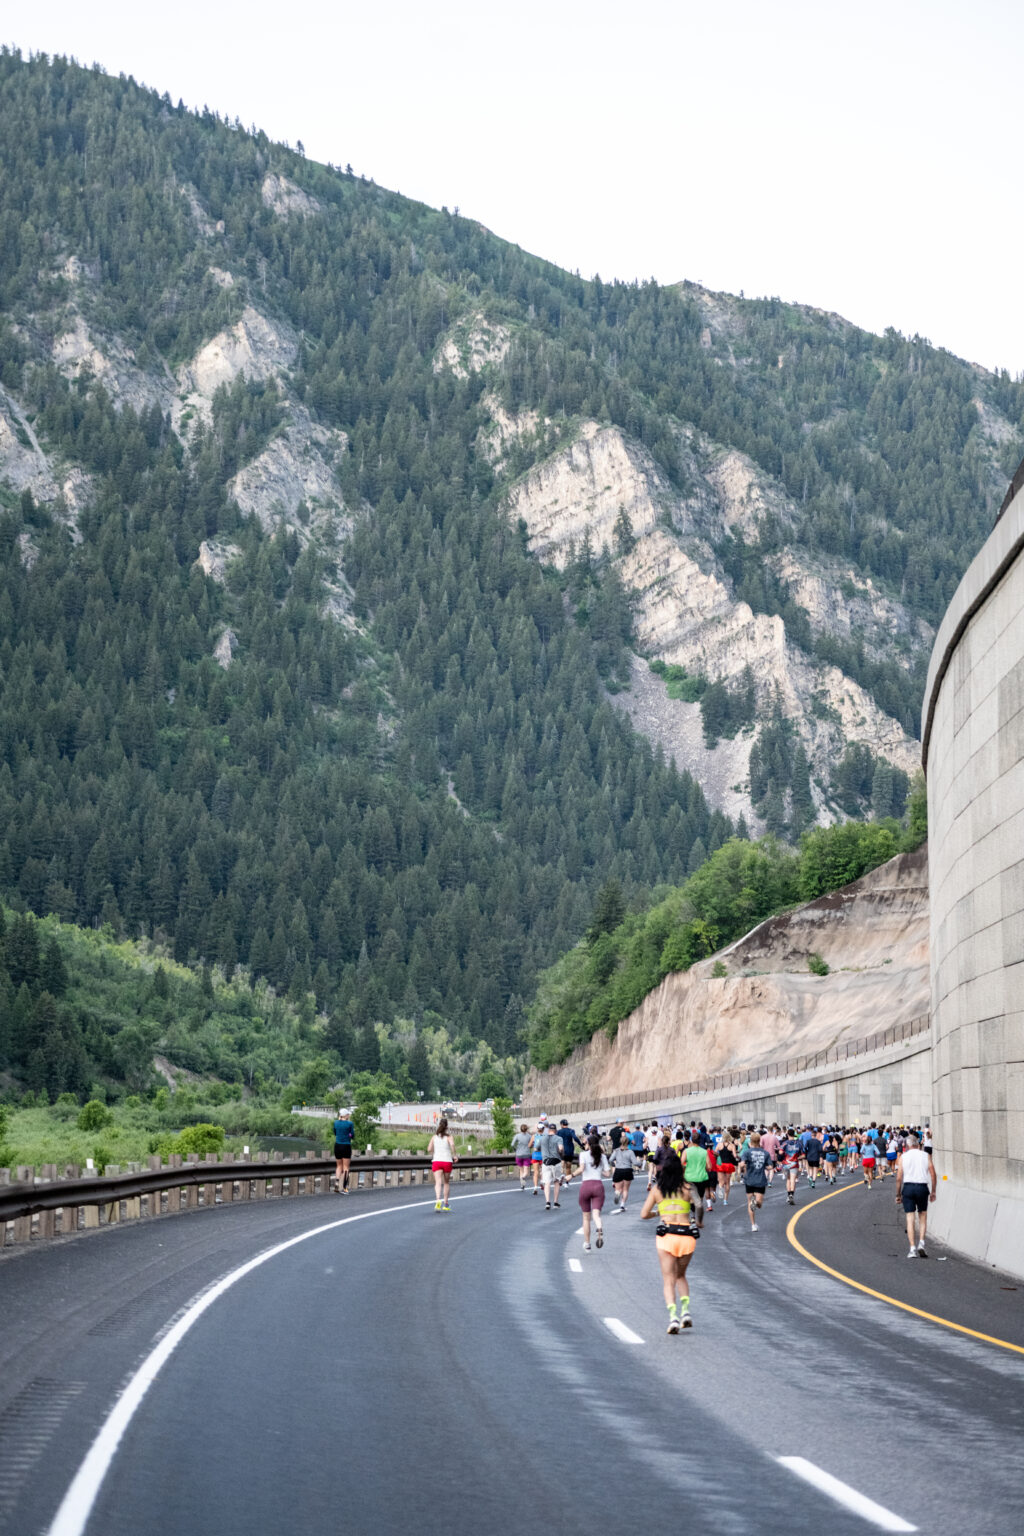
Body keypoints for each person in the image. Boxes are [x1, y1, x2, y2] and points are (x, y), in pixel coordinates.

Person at [640, 1149, 697, 1332]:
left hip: (667, 1236)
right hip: (687, 1236)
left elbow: (644, 1214)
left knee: (668, 1280)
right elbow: (700, 1205)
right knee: (681, 1276)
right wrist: (698, 1221)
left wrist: (658, 1212)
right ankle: (686, 1311)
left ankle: (673, 1317)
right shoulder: (688, 1188)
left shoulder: (657, 1190)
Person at [896, 1133, 937, 1257]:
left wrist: (898, 1194)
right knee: (922, 1216)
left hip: (908, 1187)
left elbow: (899, 1178)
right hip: (922, 1187)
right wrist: (933, 1191)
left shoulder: (903, 1157)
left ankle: (912, 1248)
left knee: (910, 1217)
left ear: (907, 1145)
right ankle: (922, 1243)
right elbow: (933, 1174)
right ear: (918, 1144)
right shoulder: (926, 1155)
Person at [578, 1133, 611, 1252]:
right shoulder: (602, 1157)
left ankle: (587, 1243)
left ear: (588, 1144)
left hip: (586, 1186)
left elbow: (581, 1169)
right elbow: (608, 1174)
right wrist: (599, 1170)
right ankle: (599, 1227)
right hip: (598, 1185)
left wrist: (571, 1175)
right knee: (596, 1215)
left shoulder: (583, 1155)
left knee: (586, 1218)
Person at [737, 1131, 770, 1230]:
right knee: (759, 1204)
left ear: (750, 1142)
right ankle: (756, 1202)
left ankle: (753, 1225)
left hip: (749, 1180)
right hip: (760, 1180)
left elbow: (742, 1164)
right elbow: (770, 1166)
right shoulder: (765, 1153)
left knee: (749, 1202)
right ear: (759, 1141)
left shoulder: (747, 1152)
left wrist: (739, 1171)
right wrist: (767, 1166)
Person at [427, 1117, 458, 1210]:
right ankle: (446, 1204)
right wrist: (455, 1155)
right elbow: (452, 1145)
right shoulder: (449, 1137)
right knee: (446, 1182)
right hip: (447, 1161)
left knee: (438, 1182)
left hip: (437, 1161)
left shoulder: (434, 1137)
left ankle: (437, 1200)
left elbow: (429, 1149)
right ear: (447, 1127)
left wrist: (434, 1151)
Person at [537, 1121, 564, 1209]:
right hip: (556, 1162)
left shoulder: (542, 1138)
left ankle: (547, 1202)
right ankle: (555, 1202)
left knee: (547, 1183)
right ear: (555, 1130)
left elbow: (536, 1147)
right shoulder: (559, 1138)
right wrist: (560, 1152)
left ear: (548, 1130)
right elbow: (560, 1148)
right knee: (556, 1181)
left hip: (546, 1162)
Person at [610, 1137, 640, 1212]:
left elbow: (610, 1159)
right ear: (628, 1143)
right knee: (625, 1189)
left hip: (618, 1170)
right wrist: (640, 1163)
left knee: (618, 1189)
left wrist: (613, 1164)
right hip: (627, 1170)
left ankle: (617, 1193)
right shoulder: (630, 1152)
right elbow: (635, 1163)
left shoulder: (616, 1151)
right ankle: (622, 1205)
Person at [332, 1106, 354, 1194]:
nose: (349, 1115)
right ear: (346, 1115)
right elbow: (352, 1135)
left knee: (338, 1166)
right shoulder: (349, 1124)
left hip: (337, 1146)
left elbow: (335, 1132)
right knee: (346, 1168)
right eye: (348, 1114)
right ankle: (344, 1187)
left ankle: (337, 1183)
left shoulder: (336, 1123)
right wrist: (348, 1135)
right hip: (346, 1146)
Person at [556, 1118, 584, 1187]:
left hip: (561, 1150)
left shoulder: (559, 1132)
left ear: (561, 1125)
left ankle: (561, 1176)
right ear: (567, 1124)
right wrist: (581, 1145)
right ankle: (567, 1182)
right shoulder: (571, 1130)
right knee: (568, 1167)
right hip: (569, 1150)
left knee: (561, 1163)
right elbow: (575, 1138)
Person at [780, 1128, 802, 1204]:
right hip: (794, 1163)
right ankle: (792, 1195)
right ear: (794, 1134)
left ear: (788, 1134)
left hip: (786, 1163)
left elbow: (780, 1152)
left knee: (788, 1180)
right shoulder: (799, 1143)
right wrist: (797, 1157)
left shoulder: (785, 1143)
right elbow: (803, 1154)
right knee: (793, 1179)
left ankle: (788, 1195)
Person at [716, 1132, 737, 1203]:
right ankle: (725, 1200)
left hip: (721, 1165)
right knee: (727, 1182)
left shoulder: (719, 1144)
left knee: (721, 1181)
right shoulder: (732, 1145)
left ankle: (720, 1187)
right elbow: (734, 1156)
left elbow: (715, 1153)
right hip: (728, 1165)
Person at [512, 1123, 533, 1190]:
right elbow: (533, 1143)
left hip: (518, 1155)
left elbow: (512, 1144)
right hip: (526, 1154)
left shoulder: (517, 1136)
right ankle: (523, 1178)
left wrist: (515, 1149)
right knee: (526, 1171)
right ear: (526, 1129)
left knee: (521, 1170)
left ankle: (522, 1184)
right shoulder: (529, 1136)